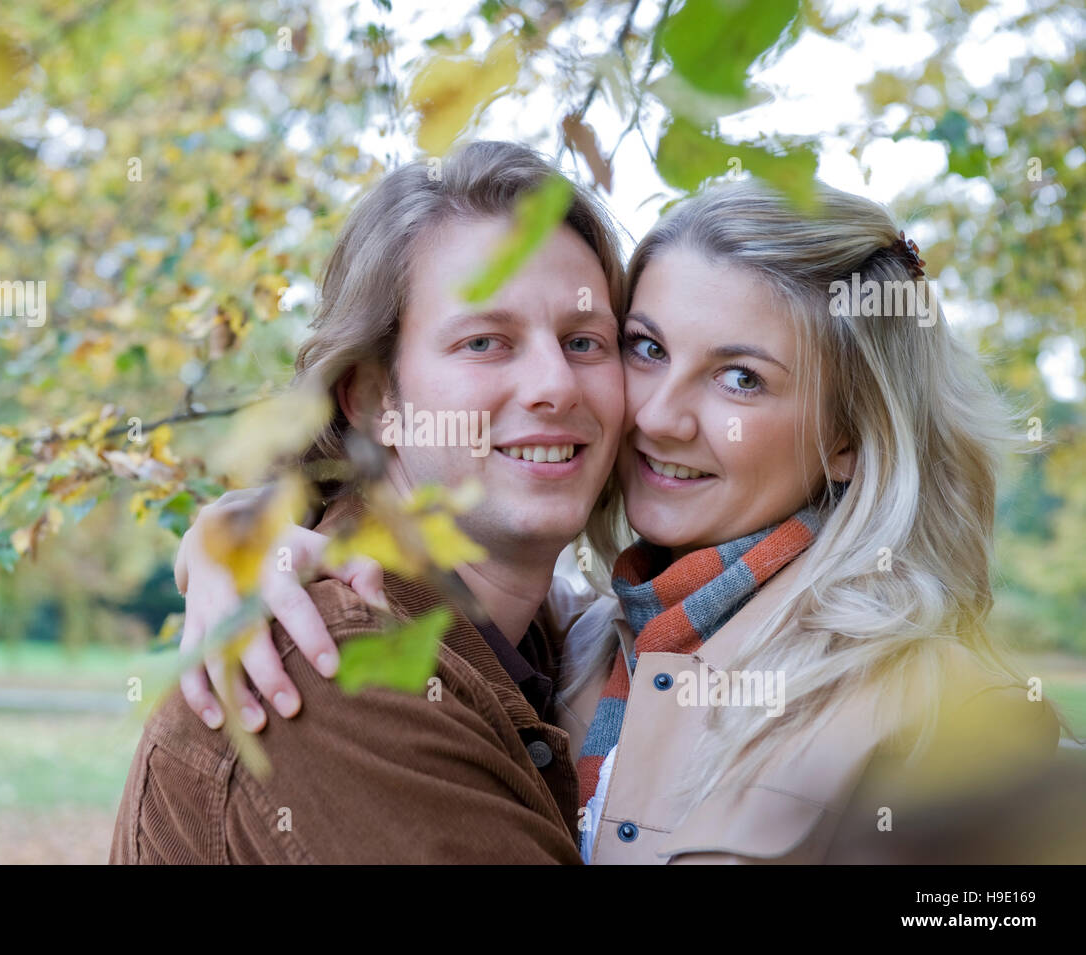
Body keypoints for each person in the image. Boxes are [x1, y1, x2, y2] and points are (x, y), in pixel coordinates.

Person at [172, 179, 1075, 864]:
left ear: (846, 437)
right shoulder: (577, 648)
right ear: (373, 397)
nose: (657, 416)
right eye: (646, 348)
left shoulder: (943, 710)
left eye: (741, 377)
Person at [110, 140, 628, 863]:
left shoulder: (546, 639)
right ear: (373, 397)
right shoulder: (335, 668)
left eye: (585, 341)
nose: (557, 385)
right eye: (485, 341)